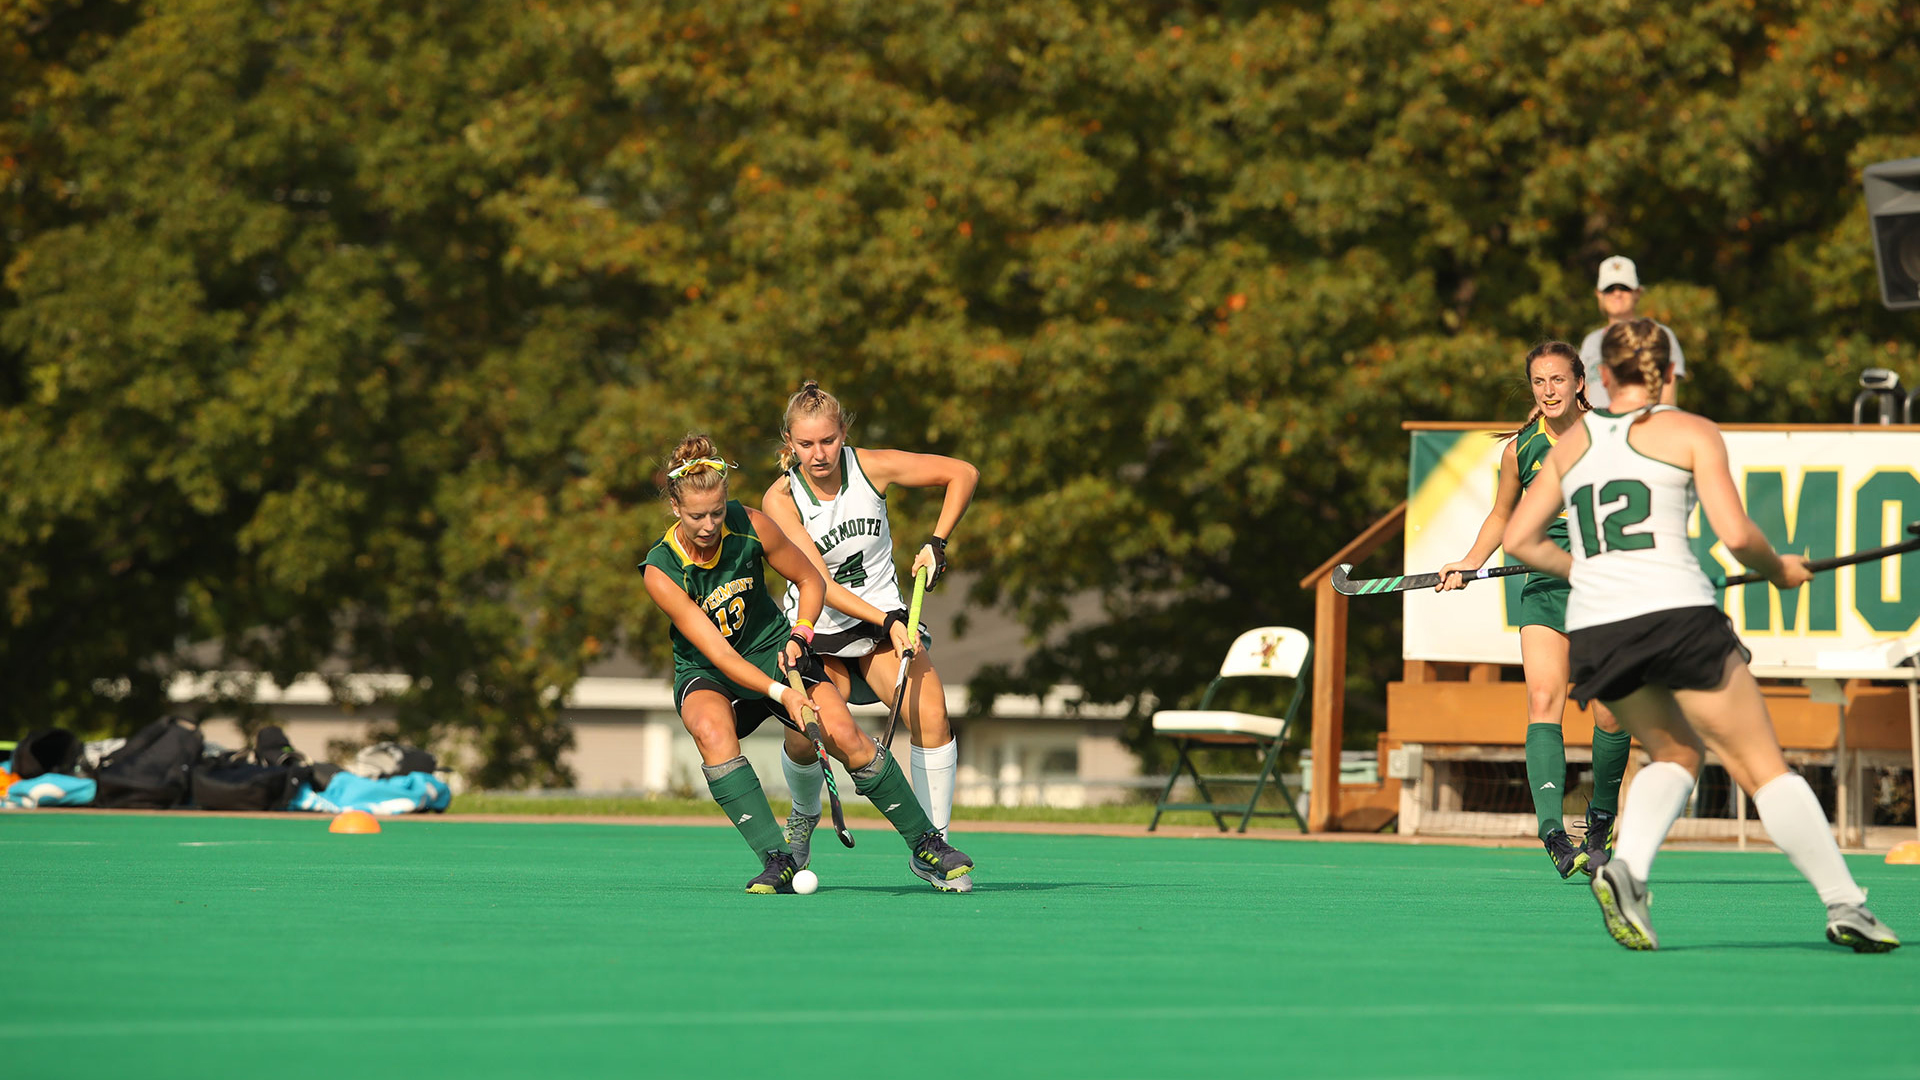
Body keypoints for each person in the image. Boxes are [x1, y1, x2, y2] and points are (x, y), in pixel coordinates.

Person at [1502, 320, 1898, 952]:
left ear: (1599, 378)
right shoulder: (1690, 431)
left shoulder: (1568, 447)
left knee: (1677, 754)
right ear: (1666, 375)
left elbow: (1520, 540)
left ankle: (1627, 871)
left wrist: (1589, 571)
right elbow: (1738, 537)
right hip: (1677, 616)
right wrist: (1781, 571)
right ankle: (1846, 903)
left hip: (1601, 627)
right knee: (1762, 766)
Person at [639, 434, 975, 894]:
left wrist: (801, 631)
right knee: (712, 733)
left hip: (775, 650)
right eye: (698, 515)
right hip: (710, 672)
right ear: (676, 507)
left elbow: (808, 579)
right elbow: (719, 653)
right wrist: (784, 695)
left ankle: (927, 845)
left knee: (846, 736)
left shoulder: (749, 524)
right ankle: (776, 859)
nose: (710, 524)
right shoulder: (661, 570)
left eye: (717, 511)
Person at [761, 381, 981, 892]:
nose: (819, 455)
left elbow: (962, 473)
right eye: (806, 444)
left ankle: (934, 848)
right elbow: (820, 584)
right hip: (818, 628)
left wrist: (936, 542)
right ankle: (801, 814)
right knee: (806, 734)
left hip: (884, 623)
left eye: (828, 441)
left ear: (844, 434)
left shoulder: (871, 467)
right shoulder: (780, 500)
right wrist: (890, 622)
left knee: (932, 712)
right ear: (789, 444)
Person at [1437, 343, 1632, 879]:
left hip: (1604, 590)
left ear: (1579, 382)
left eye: (1558, 380)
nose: (1548, 391)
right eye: (1539, 382)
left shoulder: (1612, 435)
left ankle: (1601, 818)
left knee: (1612, 711)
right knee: (1544, 697)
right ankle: (1551, 829)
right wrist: (1470, 562)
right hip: (1545, 587)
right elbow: (1502, 515)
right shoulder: (1520, 449)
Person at [1579, 256, 1687, 409]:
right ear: (1599, 294)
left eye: (1624, 288)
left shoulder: (1658, 335)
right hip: (1597, 430)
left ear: (1638, 293)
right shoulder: (1591, 341)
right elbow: (1583, 398)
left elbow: (1667, 401)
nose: (1617, 293)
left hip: (1645, 428)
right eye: (1609, 289)